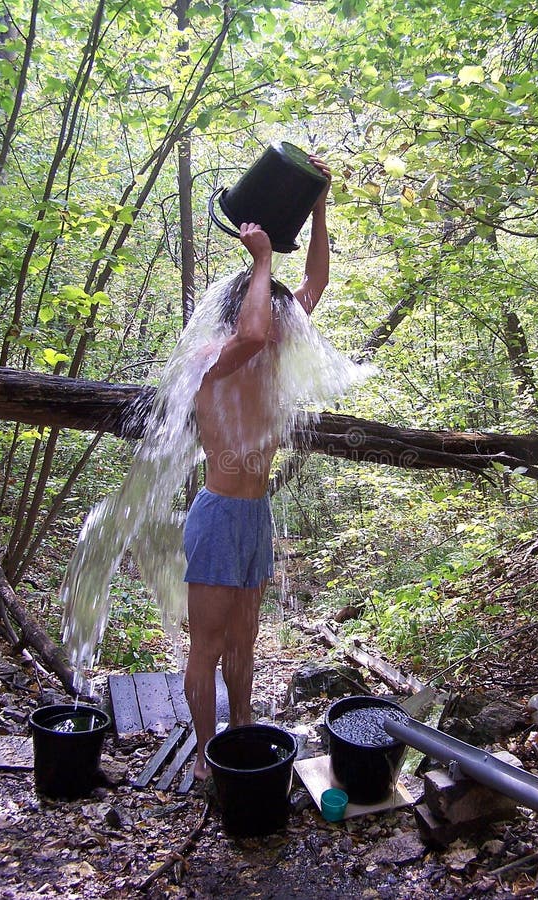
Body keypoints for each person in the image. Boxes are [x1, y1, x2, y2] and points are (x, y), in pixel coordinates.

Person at [183, 156, 331, 780]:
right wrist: (261, 261)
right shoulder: (214, 359)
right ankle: (205, 755)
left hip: (255, 514)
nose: (278, 325)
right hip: (218, 514)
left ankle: (242, 735)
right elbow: (248, 335)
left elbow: (316, 285)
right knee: (209, 645)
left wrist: (320, 202)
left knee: (245, 642)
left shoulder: (269, 351)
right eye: (267, 313)